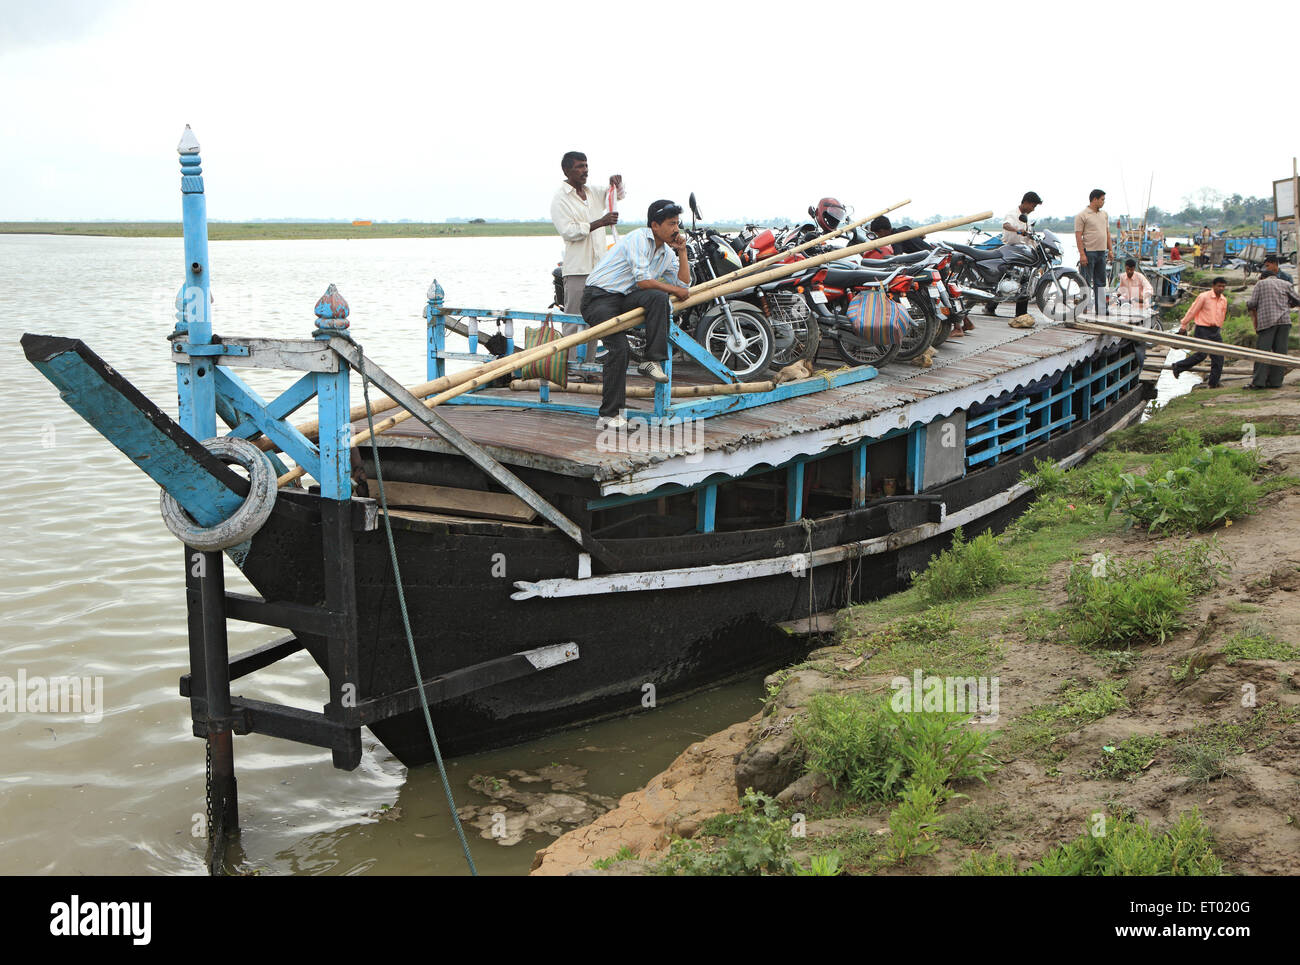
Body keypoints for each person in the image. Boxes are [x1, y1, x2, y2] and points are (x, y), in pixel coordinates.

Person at [582, 199, 691, 428]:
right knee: (619, 347)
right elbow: (644, 281)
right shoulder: (638, 239)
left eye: (677, 224)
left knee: (659, 298)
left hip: (622, 299)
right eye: (671, 224)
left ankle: (651, 360)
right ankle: (610, 415)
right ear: (655, 225)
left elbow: (684, 285)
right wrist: (677, 290)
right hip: (598, 297)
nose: (676, 229)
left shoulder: (666, 253)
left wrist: (682, 252)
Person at [550, 151, 625, 335]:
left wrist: (616, 183)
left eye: (586, 166)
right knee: (574, 320)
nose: (585, 170)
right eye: (579, 167)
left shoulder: (592, 192)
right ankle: (571, 363)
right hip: (578, 270)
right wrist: (601, 222)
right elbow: (569, 232)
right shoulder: (560, 199)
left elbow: (617, 195)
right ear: (566, 170)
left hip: (599, 270)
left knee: (594, 319)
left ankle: (588, 362)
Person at [1245, 254, 1300, 389]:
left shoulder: (1261, 284)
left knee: (1263, 352)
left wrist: (1248, 304)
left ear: (1263, 276)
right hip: (1284, 321)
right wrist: (1287, 305)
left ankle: (1258, 382)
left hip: (1267, 322)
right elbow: (1297, 300)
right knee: (1280, 353)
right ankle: (1276, 382)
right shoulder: (1286, 283)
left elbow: (1252, 303)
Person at [988, 191, 1043, 318]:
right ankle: (990, 306)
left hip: (1022, 252)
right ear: (1027, 203)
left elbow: (1029, 235)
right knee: (1002, 279)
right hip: (1009, 250)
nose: (1033, 209)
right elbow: (1006, 225)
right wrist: (1017, 230)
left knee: (1025, 280)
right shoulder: (1012, 214)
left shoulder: (1026, 218)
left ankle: (1021, 313)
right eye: (1033, 206)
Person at [1170, 277, 1228, 388]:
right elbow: (1193, 310)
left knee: (1219, 356)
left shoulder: (1223, 300)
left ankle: (1213, 383)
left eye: (1223, 286)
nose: (1221, 288)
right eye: (1219, 286)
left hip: (1215, 330)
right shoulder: (1204, 297)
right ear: (1213, 285)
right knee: (1201, 354)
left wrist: (1219, 326)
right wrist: (1184, 324)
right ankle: (1178, 366)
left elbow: (1222, 314)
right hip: (1202, 329)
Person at [1074, 189, 1113, 315]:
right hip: (1088, 252)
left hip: (1101, 252)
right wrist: (1082, 254)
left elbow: (1107, 233)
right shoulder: (1082, 215)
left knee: (1101, 281)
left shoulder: (1104, 215)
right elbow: (1078, 236)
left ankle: (1101, 308)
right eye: (1102, 199)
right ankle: (1084, 307)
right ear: (1094, 199)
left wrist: (1110, 250)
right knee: (1085, 281)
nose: (1103, 202)